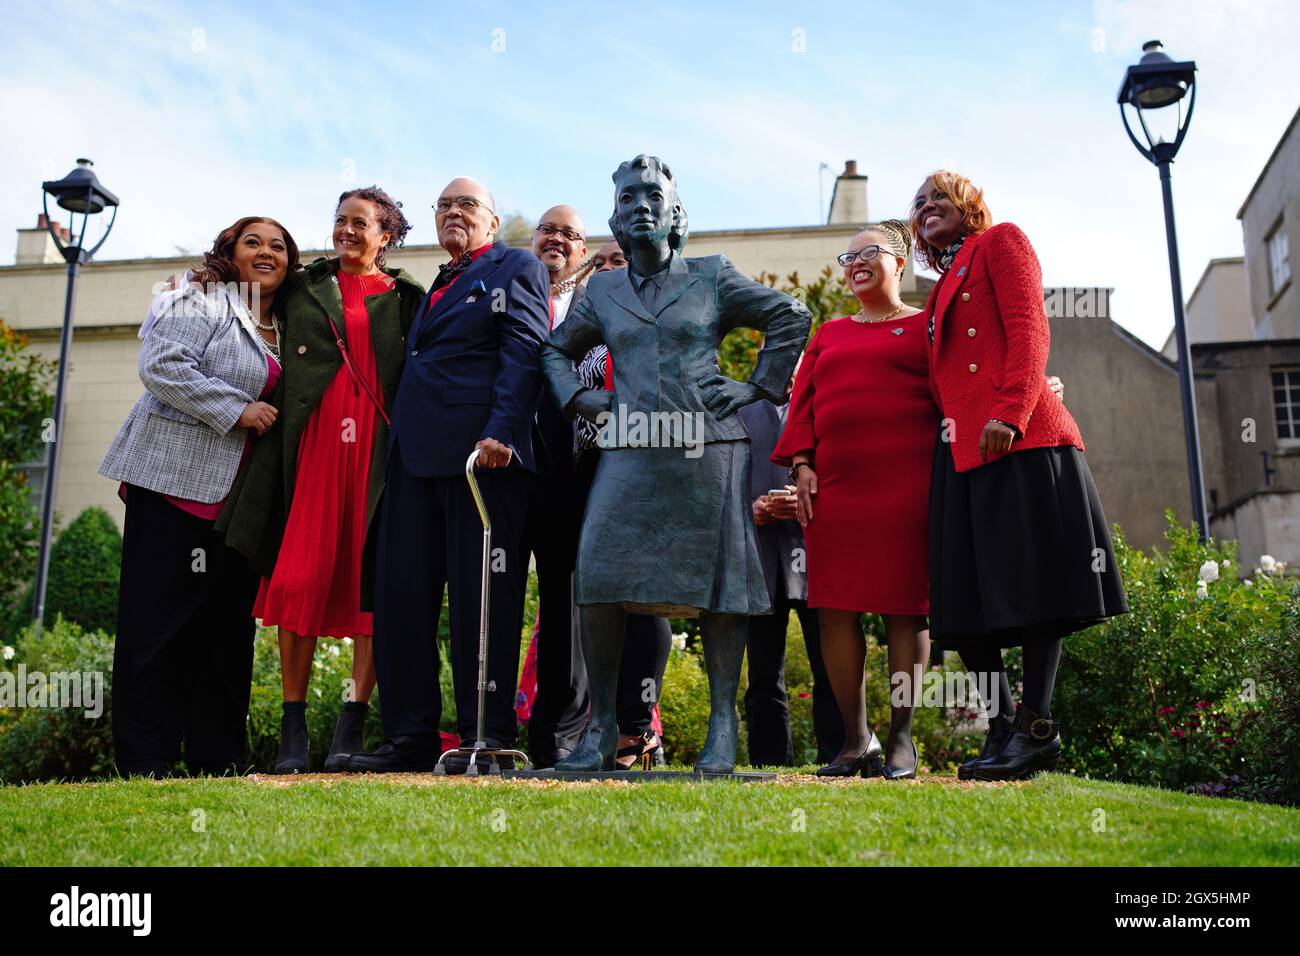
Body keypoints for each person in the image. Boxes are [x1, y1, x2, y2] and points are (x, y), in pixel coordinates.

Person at [541, 155, 811, 773]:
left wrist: (757, 387)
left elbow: (789, 315)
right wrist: (581, 397)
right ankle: (603, 730)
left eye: (654, 196)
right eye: (629, 196)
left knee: (720, 589)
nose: (641, 204)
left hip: (707, 448)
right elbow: (556, 351)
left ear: (676, 214)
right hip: (631, 447)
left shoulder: (712, 276)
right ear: (615, 216)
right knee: (597, 575)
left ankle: (722, 726)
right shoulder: (602, 290)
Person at [775, 221, 1068, 779]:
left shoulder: (927, 329)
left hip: (910, 486)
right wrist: (802, 462)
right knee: (833, 608)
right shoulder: (828, 333)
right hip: (836, 488)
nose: (857, 262)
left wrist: (1035, 391)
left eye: (871, 253)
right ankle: (855, 741)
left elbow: (969, 379)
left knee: (904, 609)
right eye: (849, 256)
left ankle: (902, 739)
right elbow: (802, 406)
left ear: (901, 262)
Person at [911, 170, 1127, 780]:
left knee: (1035, 591)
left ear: (969, 206)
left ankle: (1036, 729)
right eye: (919, 202)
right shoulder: (938, 288)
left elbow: (1032, 329)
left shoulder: (1001, 242)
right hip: (962, 452)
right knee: (962, 601)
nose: (927, 206)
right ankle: (1004, 727)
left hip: (1021, 439)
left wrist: (1011, 411)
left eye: (939, 197)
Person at [342, 177, 551, 774]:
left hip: (480, 458)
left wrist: (504, 431)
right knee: (400, 596)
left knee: (481, 600)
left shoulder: (516, 267)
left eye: (467, 205)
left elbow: (525, 348)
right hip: (410, 459)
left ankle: (485, 737)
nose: (454, 213)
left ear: (492, 220)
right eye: (444, 206)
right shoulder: (436, 281)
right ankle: (408, 738)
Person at [217, 187, 424, 773]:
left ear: (386, 235)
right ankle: (293, 731)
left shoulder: (408, 298)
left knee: (370, 590)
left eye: (360, 223)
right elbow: (246, 289)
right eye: (340, 221)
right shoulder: (304, 285)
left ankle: (350, 729)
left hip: (376, 457)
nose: (346, 232)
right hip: (311, 448)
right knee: (301, 579)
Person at [100, 216, 298, 777]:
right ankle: (146, 761)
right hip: (171, 486)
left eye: (278, 245)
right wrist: (236, 409)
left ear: (290, 262)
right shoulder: (204, 300)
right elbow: (160, 366)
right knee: (156, 628)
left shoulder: (286, 325)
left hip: (240, 505)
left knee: (225, 632)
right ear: (229, 252)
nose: (265, 252)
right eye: (252, 242)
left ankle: (219, 759)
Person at [739, 360, 843, 767]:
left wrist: (807, 502)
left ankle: (838, 755)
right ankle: (768, 762)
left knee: (831, 666)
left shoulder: (826, 410)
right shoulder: (740, 413)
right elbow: (721, 482)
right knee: (763, 674)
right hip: (761, 561)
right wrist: (751, 510)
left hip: (818, 560)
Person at [520, 204, 594, 767]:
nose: (558, 240)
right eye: (549, 230)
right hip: (505, 462)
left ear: (583, 250)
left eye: (570, 234)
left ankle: (558, 732)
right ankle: (490, 726)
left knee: (565, 601)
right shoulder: (508, 289)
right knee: (490, 594)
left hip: (572, 467)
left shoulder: (598, 301)